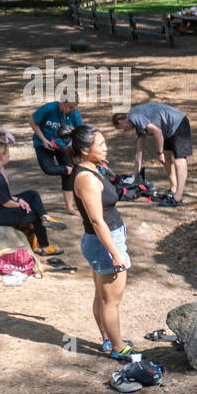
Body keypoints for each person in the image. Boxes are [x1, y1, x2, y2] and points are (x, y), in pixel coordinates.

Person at [69, 125, 136, 361]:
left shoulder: (91, 169)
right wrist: (115, 253)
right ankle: (118, 347)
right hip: (104, 242)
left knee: (101, 296)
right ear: (85, 150)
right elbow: (97, 221)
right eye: (101, 145)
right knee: (110, 301)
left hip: (102, 241)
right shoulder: (86, 177)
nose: (106, 148)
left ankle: (108, 339)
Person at [0, 143, 66, 255]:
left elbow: (2, 195)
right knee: (34, 214)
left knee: (32, 194)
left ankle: (46, 217)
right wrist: (20, 205)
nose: (9, 155)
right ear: (1, 157)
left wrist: (19, 200)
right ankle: (45, 247)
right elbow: (5, 203)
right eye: (8, 153)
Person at [112, 101, 191, 206]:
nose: (125, 131)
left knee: (179, 160)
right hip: (168, 129)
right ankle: (173, 189)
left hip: (178, 122)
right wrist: (133, 177)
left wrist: (159, 152)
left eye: (122, 128)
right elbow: (139, 152)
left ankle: (178, 198)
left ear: (120, 121)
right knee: (167, 157)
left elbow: (157, 132)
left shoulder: (134, 116)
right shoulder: (138, 123)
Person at [28, 96, 83, 215]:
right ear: (62, 103)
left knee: (68, 175)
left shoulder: (74, 113)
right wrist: (43, 139)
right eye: (69, 107)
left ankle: (69, 207)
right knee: (49, 169)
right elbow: (32, 121)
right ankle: (70, 169)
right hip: (43, 143)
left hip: (62, 145)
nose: (71, 110)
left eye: (73, 107)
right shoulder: (49, 108)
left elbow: (81, 132)